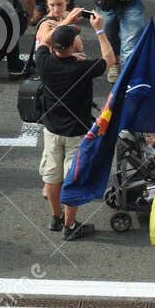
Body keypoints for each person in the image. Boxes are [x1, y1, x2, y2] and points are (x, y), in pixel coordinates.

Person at [35, 18, 114, 241]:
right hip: (77, 132)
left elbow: (43, 40)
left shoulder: (44, 63)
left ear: (54, 48)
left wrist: (64, 23)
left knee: (52, 176)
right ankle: (70, 226)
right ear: (72, 47)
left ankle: (56, 217)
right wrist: (99, 30)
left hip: (51, 129)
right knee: (73, 178)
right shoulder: (82, 68)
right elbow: (109, 59)